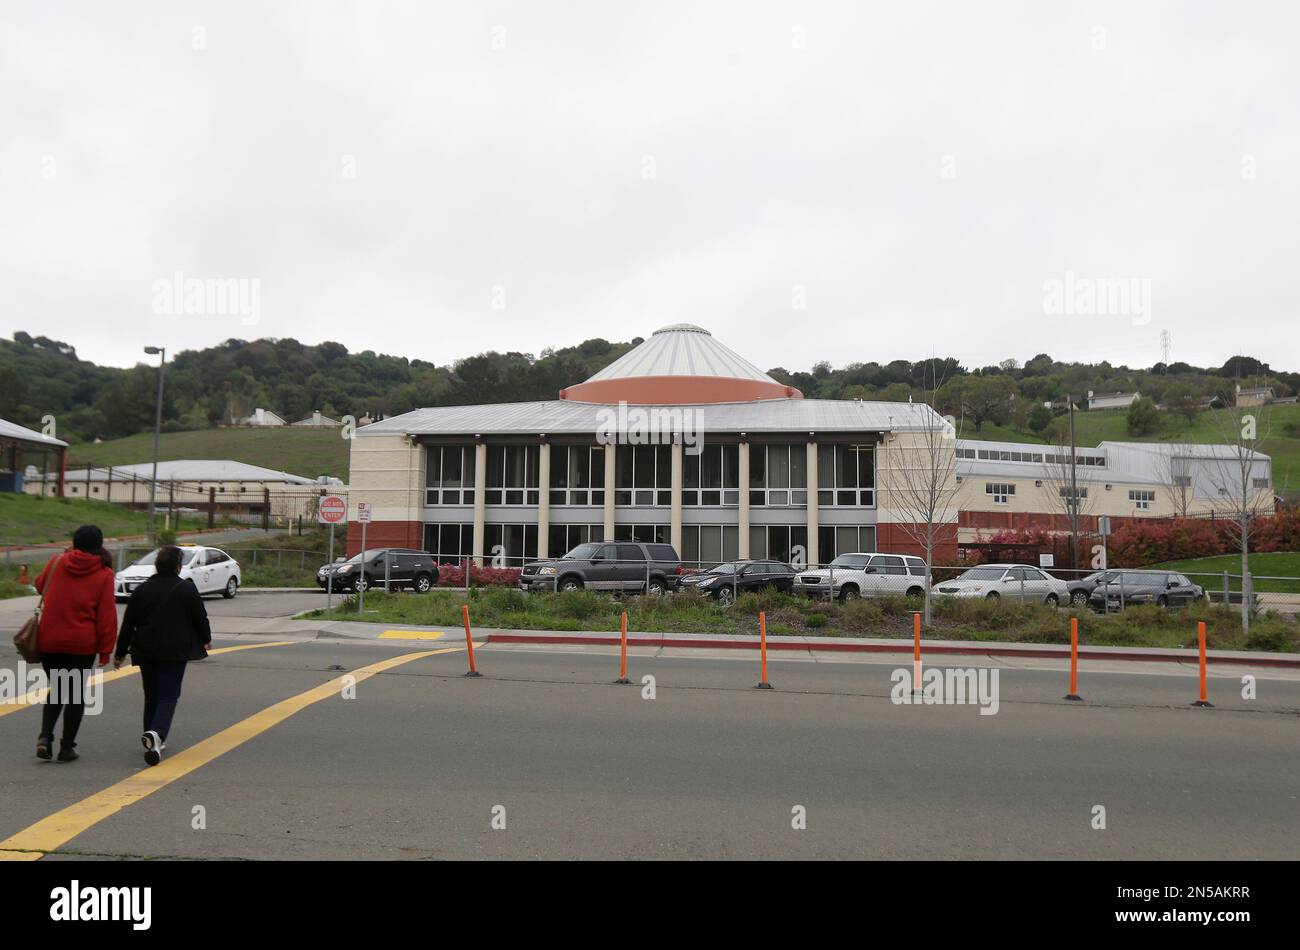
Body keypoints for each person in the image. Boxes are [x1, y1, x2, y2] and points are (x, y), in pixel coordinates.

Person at [114, 545, 211, 766]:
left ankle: (150, 734)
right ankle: (156, 734)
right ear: (178, 566)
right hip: (175, 651)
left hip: (145, 649)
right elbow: (200, 617)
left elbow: (128, 625)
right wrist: (206, 637)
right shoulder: (186, 588)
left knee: (151, 694)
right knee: (168, 695)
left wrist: (120, 653)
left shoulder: (142, 590)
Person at [33, 525, 118, 762]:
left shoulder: (57, 561)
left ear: (74, 542)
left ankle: (44, 737)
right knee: (75, 693)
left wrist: (65, 554)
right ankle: (66, 747)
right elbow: (106, 616)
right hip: (82, 644)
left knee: (58, 688)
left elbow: (40, 586)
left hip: (49, 639)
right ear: (99, 545)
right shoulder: (104, 573)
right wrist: (105, 650)